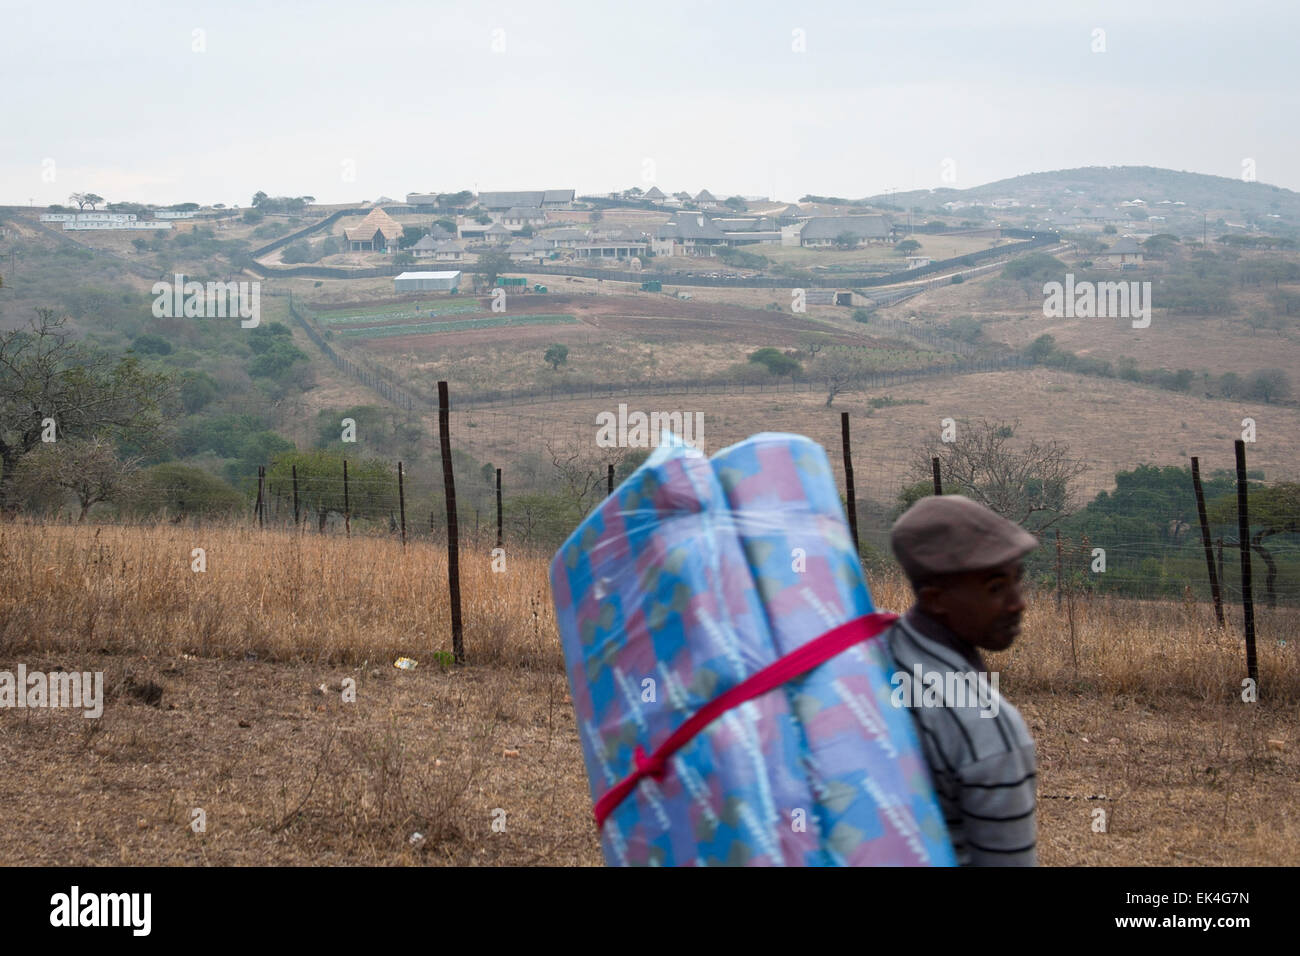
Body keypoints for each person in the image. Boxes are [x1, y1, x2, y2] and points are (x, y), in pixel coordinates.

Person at [884, 494, 1039, 866]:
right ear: (936, 599)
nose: (1019, 603)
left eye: (1017, 581)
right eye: (995, 588)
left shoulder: (873, 655)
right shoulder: (988, 728)